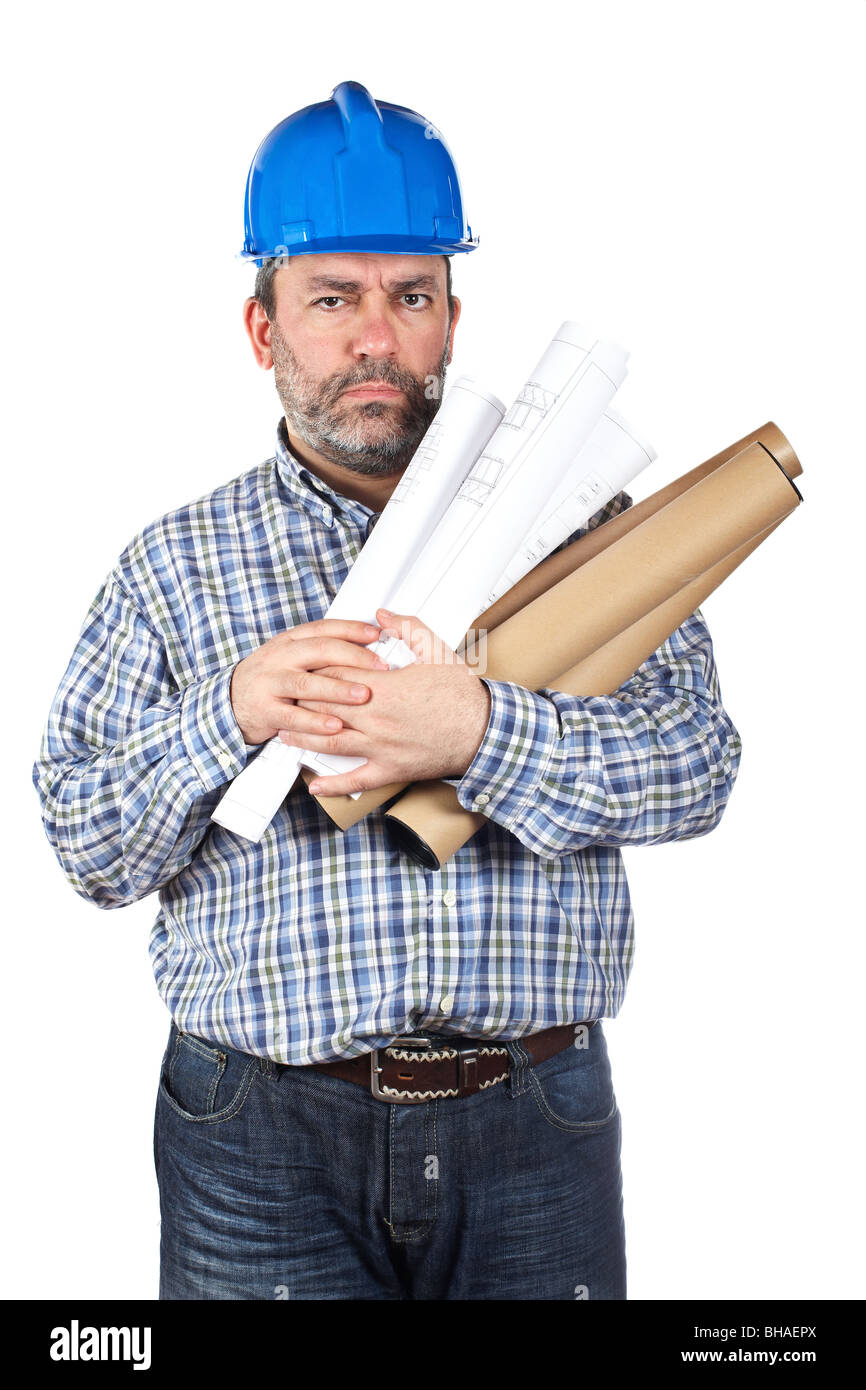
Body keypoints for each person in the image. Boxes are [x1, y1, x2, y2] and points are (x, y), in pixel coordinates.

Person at [33, 81, 742, 1301]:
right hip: (259, 1134)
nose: (376, 338)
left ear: (451, 318)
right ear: (263, 330)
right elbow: (87, 846)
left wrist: (479, 729)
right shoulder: (171, 566)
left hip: (536, 1122)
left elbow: (697, 766)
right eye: (332, 299)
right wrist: (236, 710)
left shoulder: (579, 532)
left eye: (409, 297)